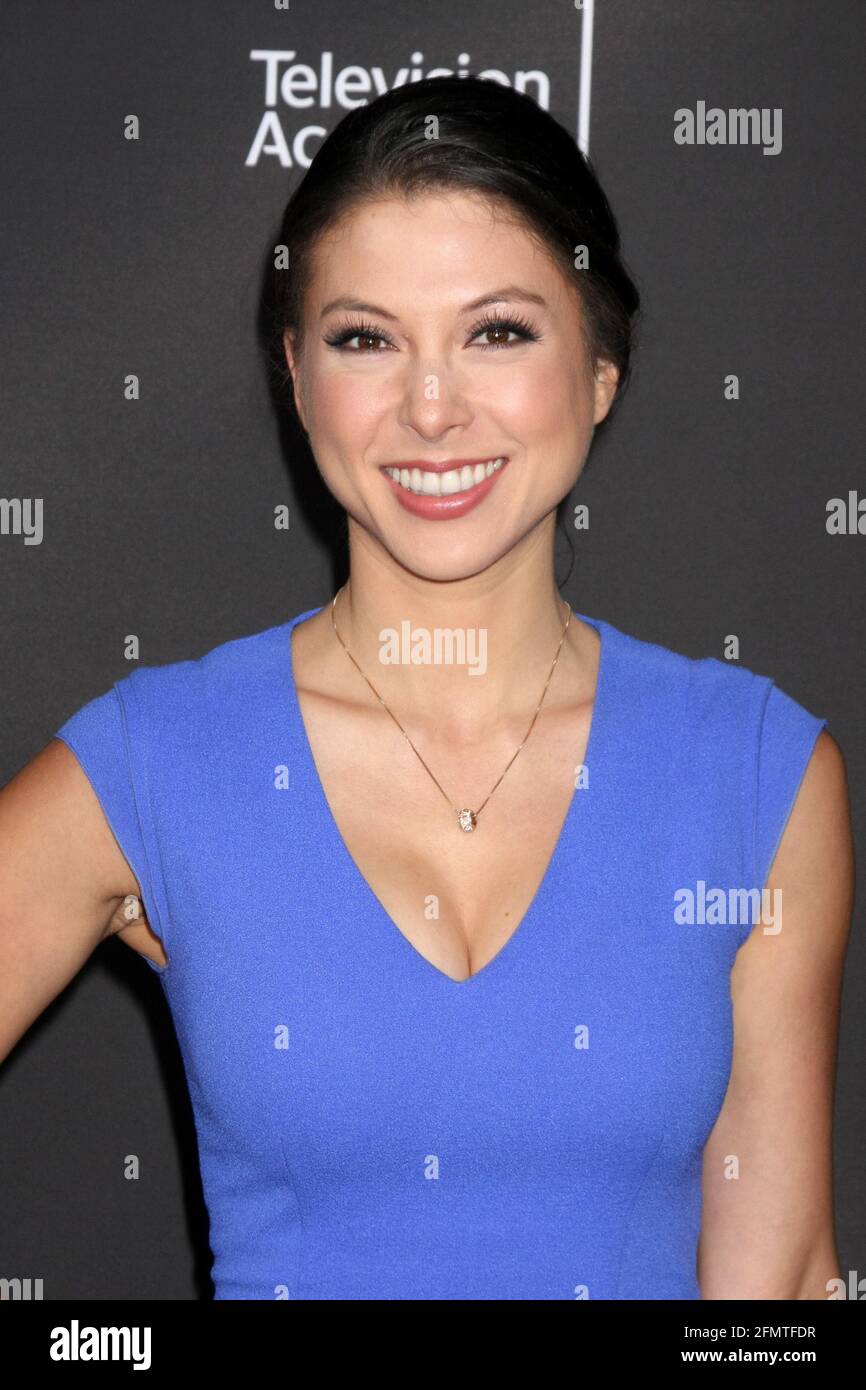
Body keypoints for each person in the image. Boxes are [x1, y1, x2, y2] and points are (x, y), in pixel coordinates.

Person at [0, 75, 853, 1301]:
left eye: (497, 330)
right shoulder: (160, 758)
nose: (432, 406)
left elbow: (773, 1287)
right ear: (297, 380)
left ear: (599, 367)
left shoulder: (753, 773)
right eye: (365, 339)